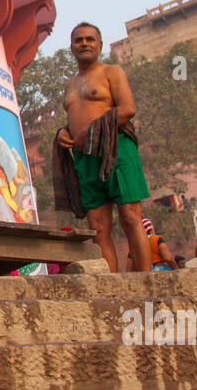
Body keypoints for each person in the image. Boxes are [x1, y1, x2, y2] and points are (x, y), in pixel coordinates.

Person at [52, 22, 152, 272]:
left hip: (117, 148)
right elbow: (76, 117)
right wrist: (65, 131)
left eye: (89, 39)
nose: (84, 44)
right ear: (71, 48)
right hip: (85, 157)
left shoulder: (111, 72)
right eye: (78, 40)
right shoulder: (70, 85)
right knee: (97, 227)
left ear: (99, 45)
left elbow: (128, 109)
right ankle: (112, 287)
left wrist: (92, 129)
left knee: (130, 217)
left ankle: (148, 283)